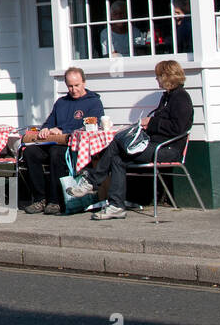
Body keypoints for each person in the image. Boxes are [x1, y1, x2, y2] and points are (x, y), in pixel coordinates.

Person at [70, 59, 193, 219]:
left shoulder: (181, 98)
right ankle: (115, 205)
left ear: (166, 77)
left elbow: (179, 127)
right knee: (117, 157)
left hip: (168, 149)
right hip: (155, 144)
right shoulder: (167, 97)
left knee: (116, 144)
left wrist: (151, 122)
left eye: (158, 76)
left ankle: (93, 183)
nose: (156, 80)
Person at [22, 68, 104, 214]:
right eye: (70, 86)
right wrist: (46, 129)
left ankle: (55, 201)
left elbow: (91, 126)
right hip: (55, 141)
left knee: (56, 153)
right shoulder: (61, 102)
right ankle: (40, 198)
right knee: (30, 152)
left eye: (77, 85)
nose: (73, 90)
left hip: (76, 145)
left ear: (84, 82)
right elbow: (49, 122)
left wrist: (63, 130)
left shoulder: (94, 102)